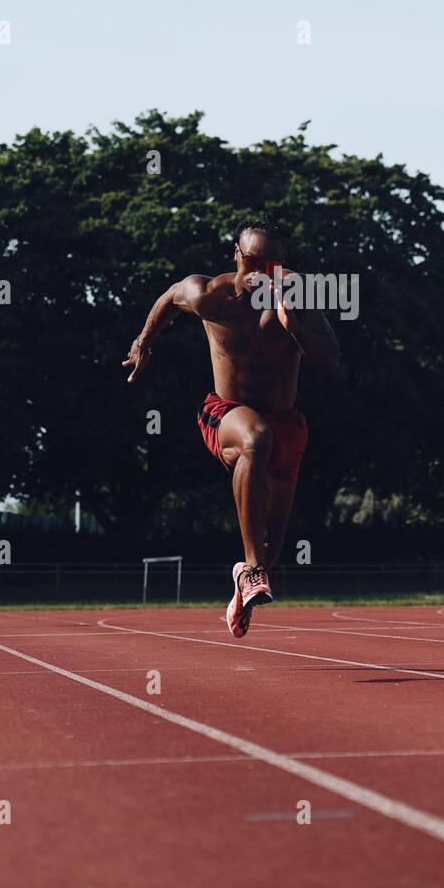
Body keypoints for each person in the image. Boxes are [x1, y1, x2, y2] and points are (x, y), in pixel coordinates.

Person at [123, 215, 340, 637]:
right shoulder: (209, 295)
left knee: (273, 537)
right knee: (255, 437)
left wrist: (294, 326)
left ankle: (247, 581)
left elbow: (332, 362)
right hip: (227, 413)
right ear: (237, 256)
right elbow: (168, 298)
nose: (263, 273)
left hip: (286, 422)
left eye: (273, 264)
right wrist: (141, 345)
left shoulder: (298, 295)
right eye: (254, 261)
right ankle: (252, 569)